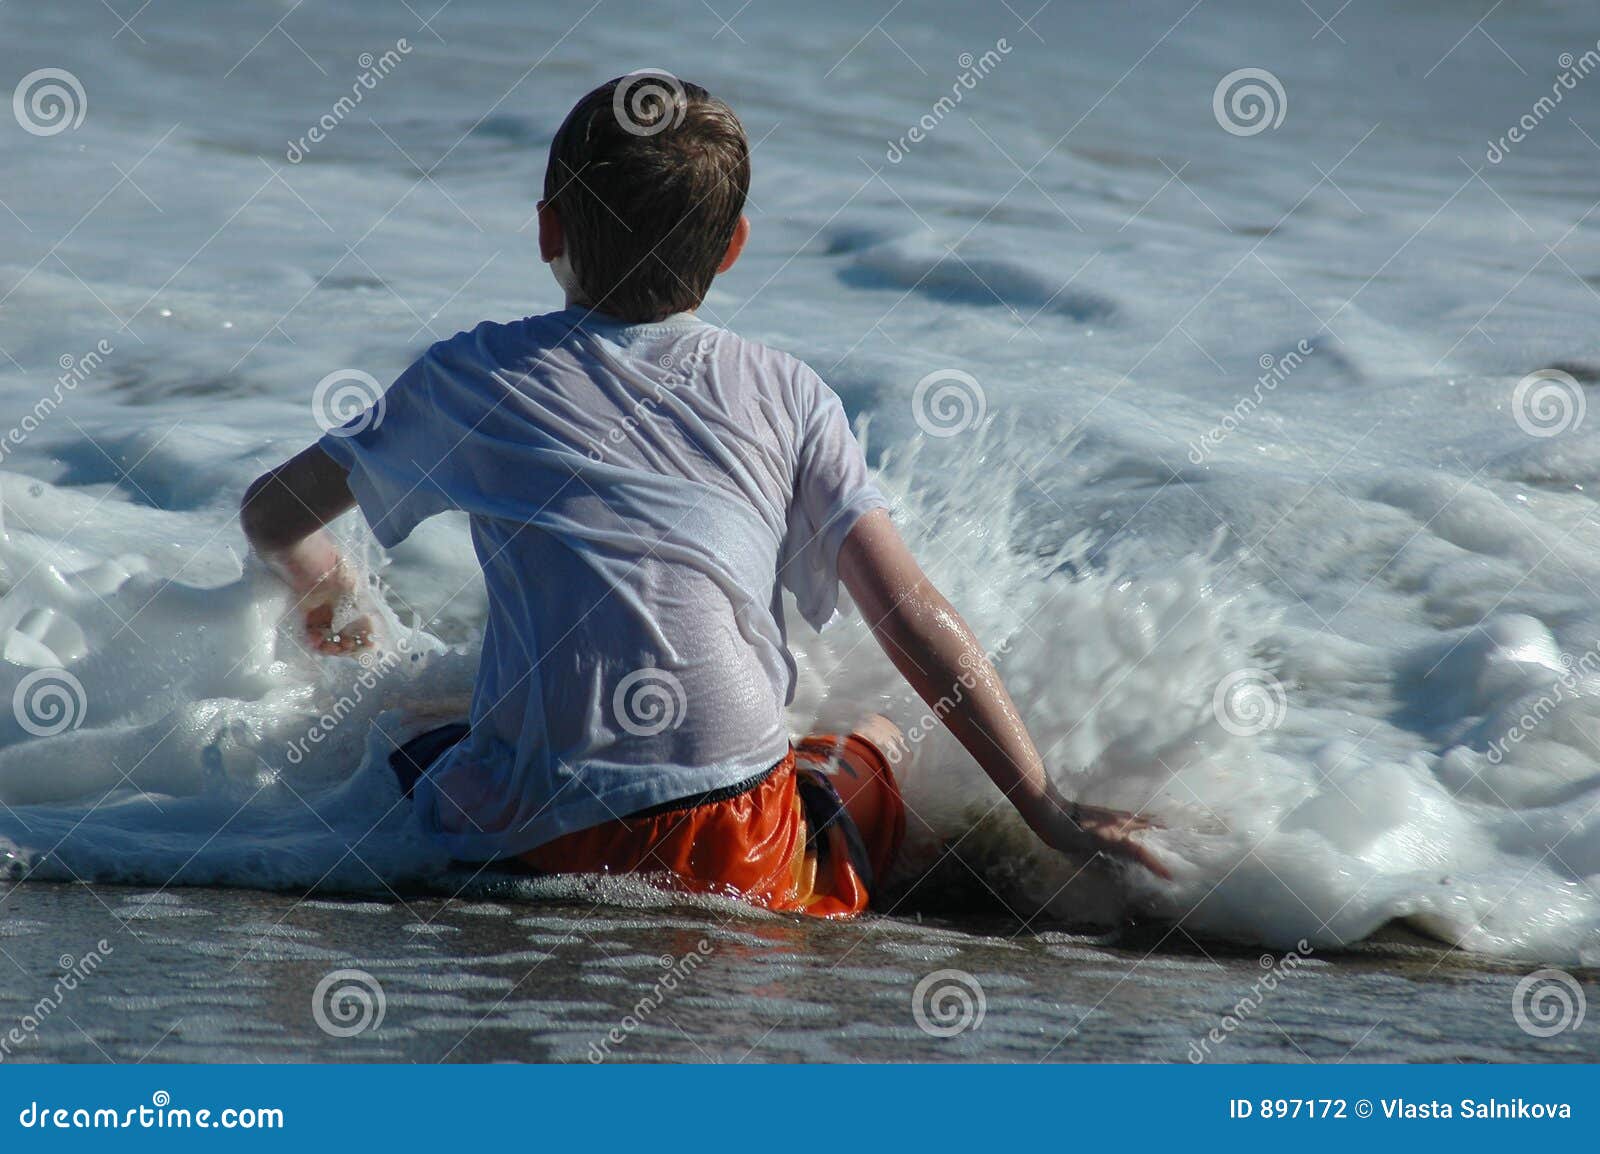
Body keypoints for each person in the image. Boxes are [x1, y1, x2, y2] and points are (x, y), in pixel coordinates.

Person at [239, 74, 1166, 919]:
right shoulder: (790, 391)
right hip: (729, 851)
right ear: (733, 248)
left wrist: (331, 593)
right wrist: (1046, 808)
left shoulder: (470, 374)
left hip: (531, 836)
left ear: (547, 230)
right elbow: (908, 613)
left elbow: (272, 515)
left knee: (416, 727)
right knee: (879, 732)